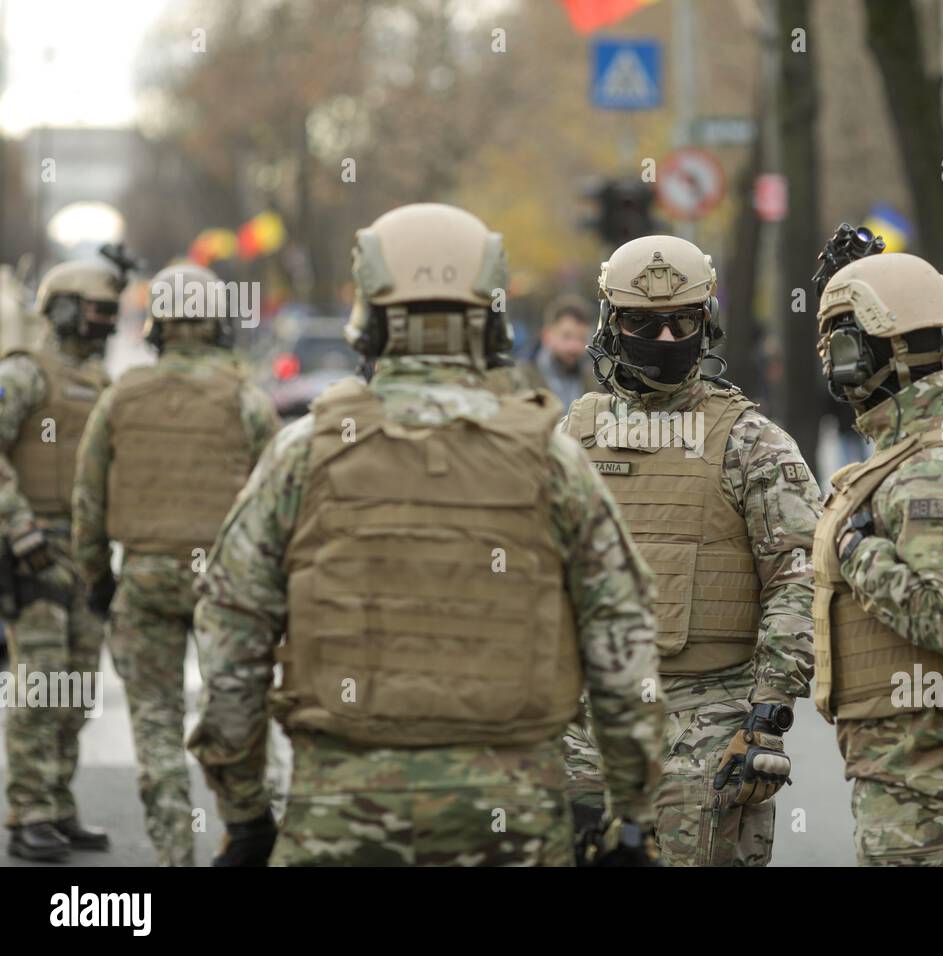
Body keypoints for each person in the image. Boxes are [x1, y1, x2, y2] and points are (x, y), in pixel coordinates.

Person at [186, 203, 664, 866]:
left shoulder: (305, 453)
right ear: (491, 316)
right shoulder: (551, 459)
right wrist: (631, 820)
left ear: (370, 316)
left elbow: (230, 637)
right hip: (511, 823)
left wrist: (245, 815)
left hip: (340, 820)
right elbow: (623, 644)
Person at [562, 235, 820, 866]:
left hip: (711, 717)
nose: (668, 338)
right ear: (611, 323)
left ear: (707, 325)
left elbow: (801, 573)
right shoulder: (571, 437)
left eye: (683, 322)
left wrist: (768, 709)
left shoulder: (752, 443)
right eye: (646, 323)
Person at [810, 251, 943, 866]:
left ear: (892, 351)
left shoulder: (933, 467)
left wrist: (854, 551)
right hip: (913, 770)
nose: (833, 363)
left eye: (845, 344)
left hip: (928, 778)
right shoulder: (913, 449)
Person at [71, 262, 280, 866]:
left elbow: (89, 498)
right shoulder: (246, 398)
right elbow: (276, 501)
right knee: (233, 718)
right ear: (218, 325)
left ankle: (173, 858)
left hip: (143, 578)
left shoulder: (121, 397)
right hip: (226, 584)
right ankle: (244, 832)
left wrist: (97, 579)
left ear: (157, 326)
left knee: (156, 730)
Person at [1, 257, 121, 861]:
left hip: (84, 549)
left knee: (76, 686)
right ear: (68, 309)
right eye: (98, 309)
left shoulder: (101, 385)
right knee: (40, 682)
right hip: (35, 550)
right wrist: (18, 526)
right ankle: (27, 812)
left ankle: (57, 800)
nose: (107, 321)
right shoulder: (24, 374)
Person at [523, 294, 598, 407]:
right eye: (566, 336)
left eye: (582, 338)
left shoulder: (596, 383)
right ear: (547, 336)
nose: (574, 346)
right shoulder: (522, 380)